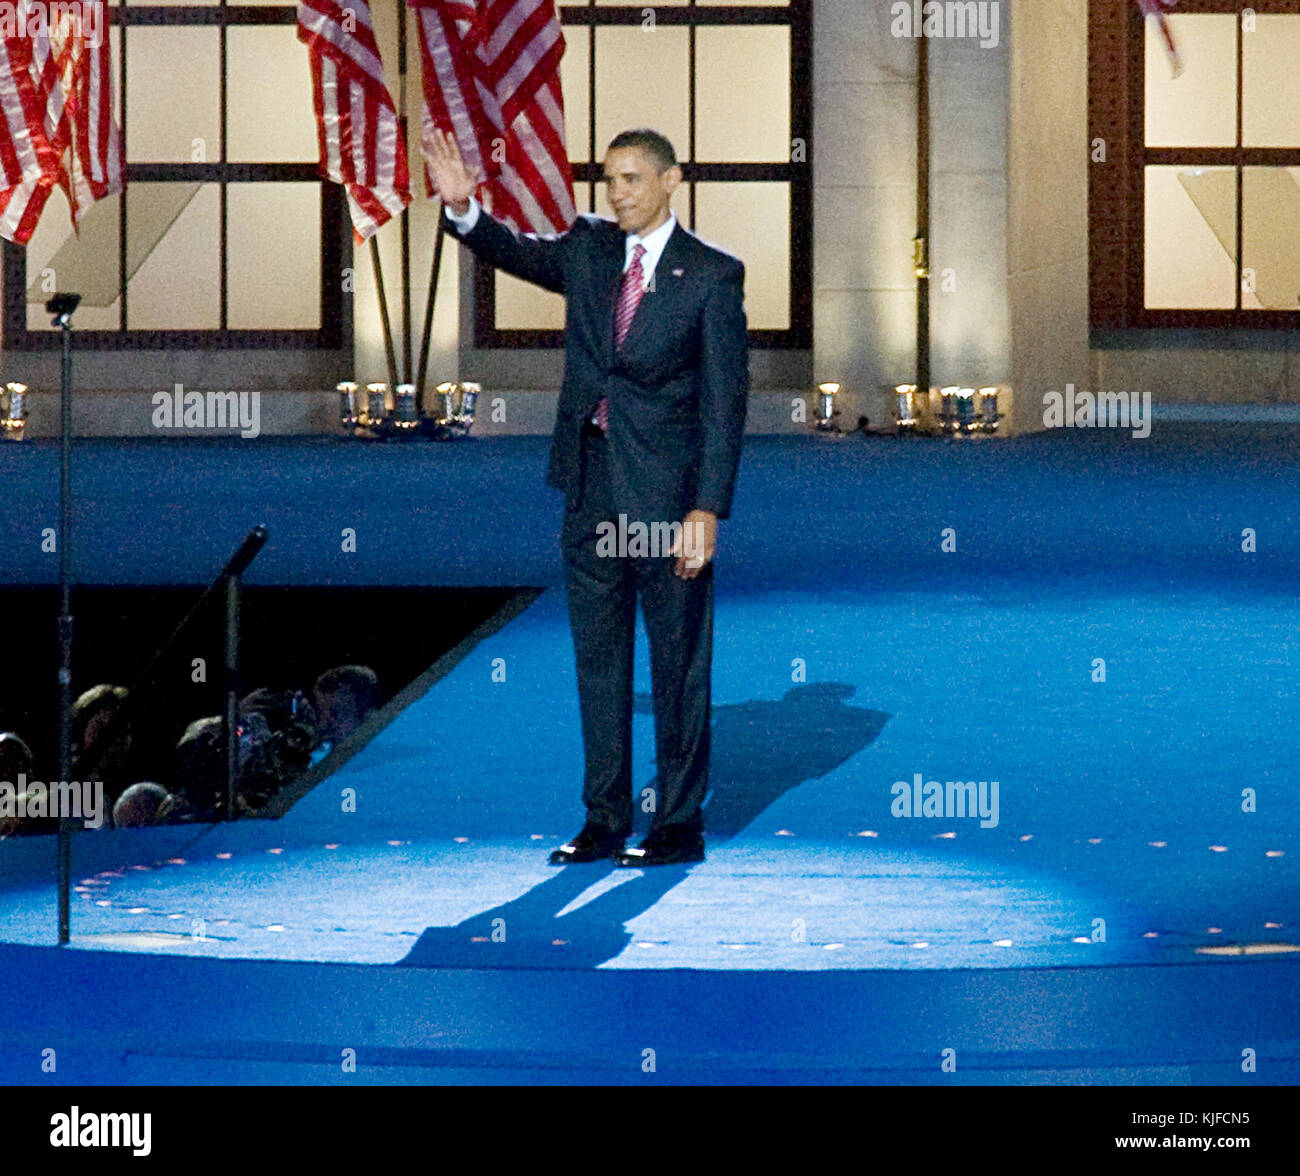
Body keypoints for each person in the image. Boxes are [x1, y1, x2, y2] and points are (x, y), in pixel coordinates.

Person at [429, 126, 749, 867]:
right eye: (610, 180)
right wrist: (463, 210)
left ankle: (676, 824)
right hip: (590, 487)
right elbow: (516, 253)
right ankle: (603, 819)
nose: (619, 194)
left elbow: (725, 404)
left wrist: (706, 510)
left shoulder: (712, 276)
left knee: (677, 662)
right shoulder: (589, 250)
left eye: (633, 180)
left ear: (673, 181)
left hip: (669, 501)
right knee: (599, 661)